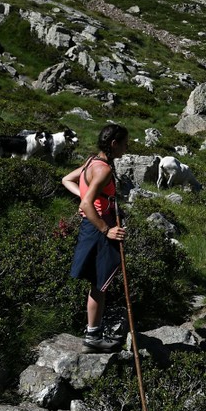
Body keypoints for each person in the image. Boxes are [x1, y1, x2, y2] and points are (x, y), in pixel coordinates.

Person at [62, 123, 129, 353]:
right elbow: (86, 204)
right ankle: (93, 337)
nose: (126, 148)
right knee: (100, 284)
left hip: (88, 227)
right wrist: (106, 229)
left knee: (97, 284)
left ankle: (93, 334)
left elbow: (66, 179)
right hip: (98, 230)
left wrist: (86, 195)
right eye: (124, 144)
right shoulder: (104, 170)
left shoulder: (92, 162)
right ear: (114, 144)